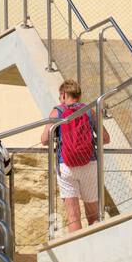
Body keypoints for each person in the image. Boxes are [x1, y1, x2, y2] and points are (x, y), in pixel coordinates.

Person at [41, 79, 109, 233]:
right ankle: (97, 249)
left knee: (73, 216)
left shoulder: (57, 111)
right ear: (79, 95)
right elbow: (106, 138)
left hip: (66, 166)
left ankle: (77, 255)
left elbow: (44, 140)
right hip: (89, 164)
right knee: (93, 214)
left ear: (63, 94)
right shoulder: (88, 110)